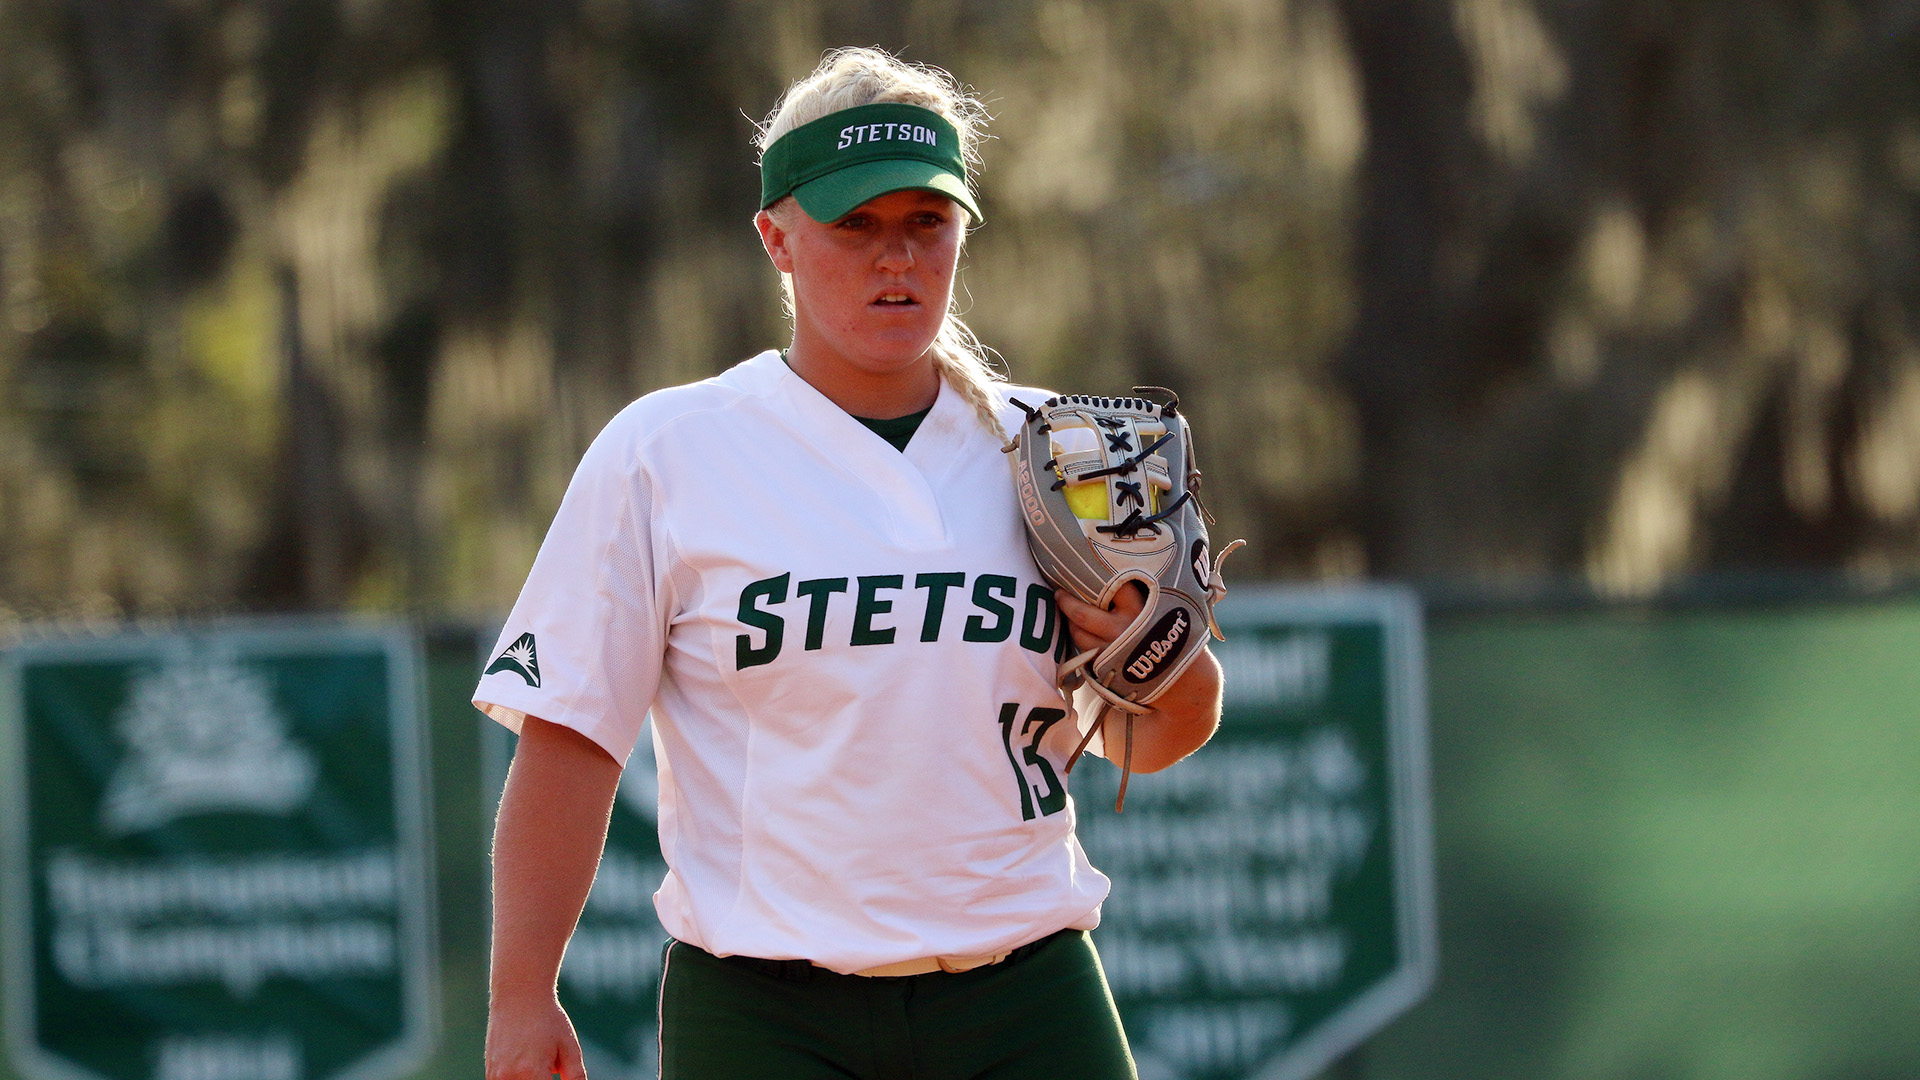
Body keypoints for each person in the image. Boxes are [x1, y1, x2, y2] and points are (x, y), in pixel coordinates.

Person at [478, 46, 1225, 1080]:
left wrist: (1163, 662)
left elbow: (1162, 738)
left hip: (1025, 991)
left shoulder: (1064, 452)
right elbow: (568, 743)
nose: (898, 259)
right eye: (855, 225)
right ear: (776, 238)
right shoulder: (668, 451)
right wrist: (522, 993)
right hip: (766, 1008)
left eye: (927, 223)